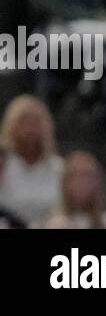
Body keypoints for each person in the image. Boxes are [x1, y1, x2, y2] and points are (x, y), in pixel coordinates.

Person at [0, 94, 64, 227]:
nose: (30, 130)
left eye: (36, 123)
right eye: (24, 123)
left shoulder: (59, 167)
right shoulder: (3, 163)